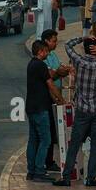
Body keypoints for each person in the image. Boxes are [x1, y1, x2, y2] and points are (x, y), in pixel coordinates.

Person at [56, 34, 96, 187]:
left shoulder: (78, 61)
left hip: (82, 109)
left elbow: (67, 44)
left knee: (75, 143)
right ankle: (91, 178)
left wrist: (82, 37)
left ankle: (66, 177)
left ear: (84, 49)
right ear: (95, 49)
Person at [25, 39, 66, 182]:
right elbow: (51, 85)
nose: (48, 53)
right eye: (46, 51)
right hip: (41, 107)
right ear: (40, 51)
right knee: (46, 140)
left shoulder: (31, 64)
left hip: (31, 107)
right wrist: (61, 99)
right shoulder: (41, 66)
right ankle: (39, 171)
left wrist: (54, 99)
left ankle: (31, 170)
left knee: (33, 139)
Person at [41, 29, 71, 174]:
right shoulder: (43, 56)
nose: (55, 43)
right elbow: (51, 75)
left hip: (56, 98)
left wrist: (61, 71)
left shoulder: (53, 55)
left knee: (54, 131)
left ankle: (50, 160)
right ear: (46, 41)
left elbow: (59, 71)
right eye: (53, 40)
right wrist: (59, 72)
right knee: (47, 132)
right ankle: (45, 162)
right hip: (48, 98)